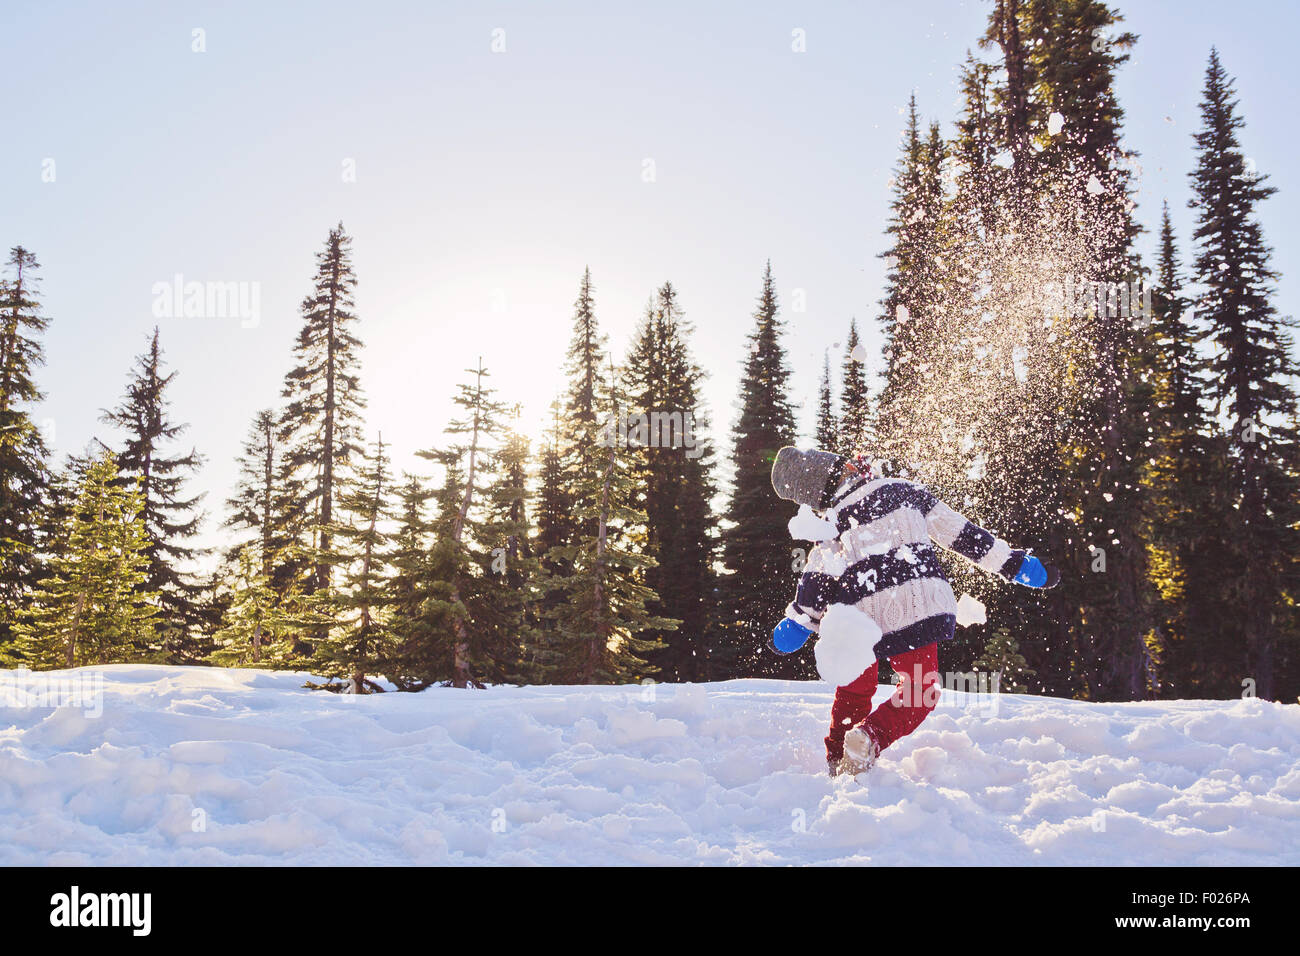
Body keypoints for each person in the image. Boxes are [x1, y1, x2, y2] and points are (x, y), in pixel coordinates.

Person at [768, 446, 1059, 776]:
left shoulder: (832, 524)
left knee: (853, 688)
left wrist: (799, 622)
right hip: (914, 606)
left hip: (857, 618)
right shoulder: (906, 490)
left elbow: (818, 578)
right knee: (920, 690)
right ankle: (869, 736)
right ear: (846, 466)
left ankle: (838, 757)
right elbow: (962, 535)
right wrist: (1015, 565)